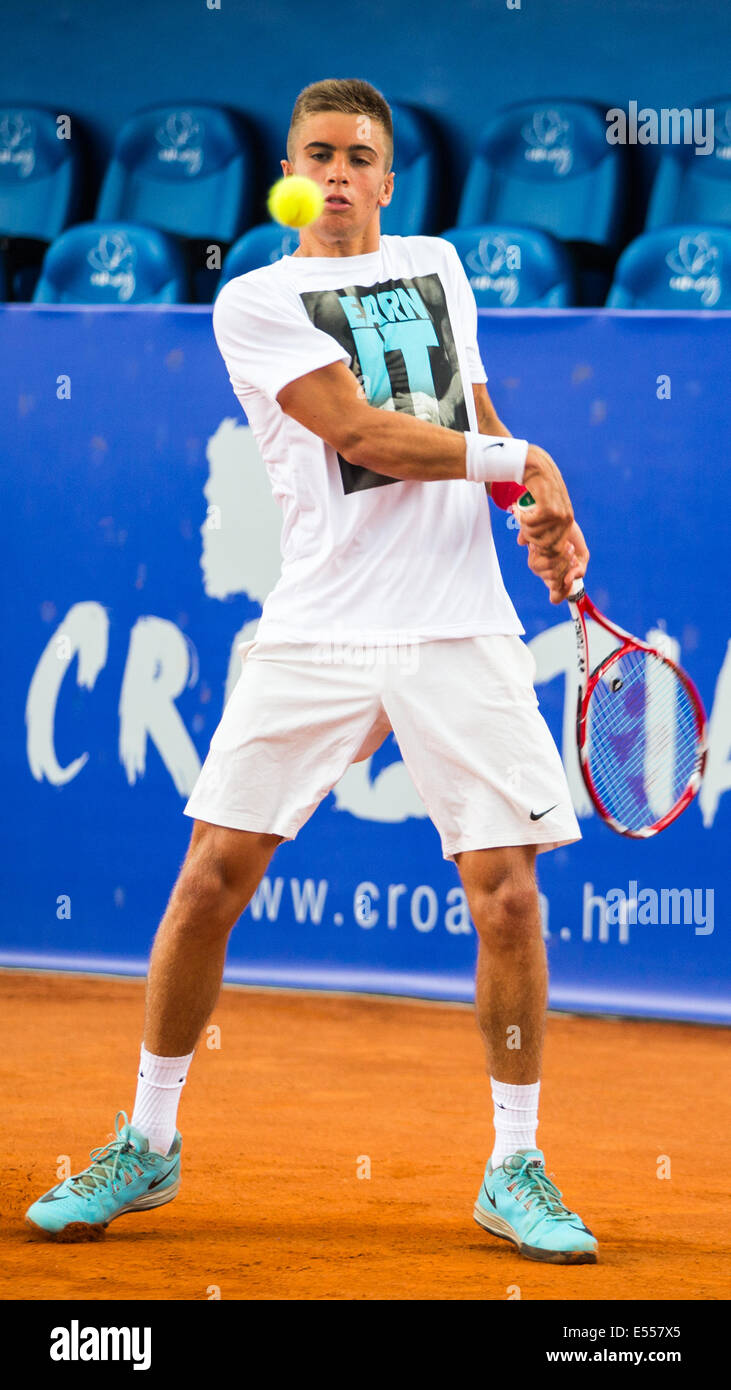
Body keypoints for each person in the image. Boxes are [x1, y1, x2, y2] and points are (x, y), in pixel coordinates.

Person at [27, 78, 596, 1265]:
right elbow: (362, 433)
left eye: (358, 156)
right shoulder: (255, 298)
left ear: (388, 178)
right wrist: (524, 459)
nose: (337, 172)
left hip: (456, 626)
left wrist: (534, 512)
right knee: (210, 879)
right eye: (317, 154)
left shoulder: (439, 266)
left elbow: (467, 409)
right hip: (318, 628)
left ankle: (513, 1162)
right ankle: (148, 1138)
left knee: (506, 895)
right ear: (290, 173)